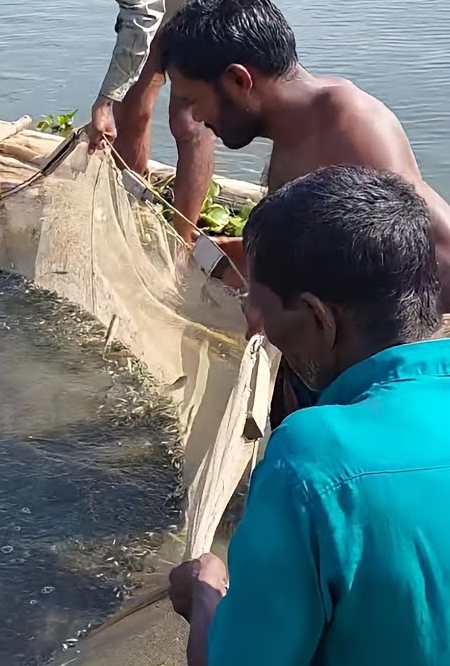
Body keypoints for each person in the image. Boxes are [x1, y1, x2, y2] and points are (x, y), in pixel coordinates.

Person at [167, 164, 450, 666]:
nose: (257, 325)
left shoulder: (312, 458)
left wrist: (206, 592)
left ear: (319, 317)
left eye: (261, 306)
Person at [156, 0, 450, 426]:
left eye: (195, 101)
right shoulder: (294, 129)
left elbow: (403, 277)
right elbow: (322, 245)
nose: (196, 118)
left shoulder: (350, 129)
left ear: (239, 80)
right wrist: (217, 254)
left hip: (384, 364)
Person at [0, 0, 237, 239]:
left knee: (189, 117)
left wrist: (104, 101)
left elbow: (144, 8)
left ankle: (182, 243)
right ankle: (130, 222)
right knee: (130, 108)